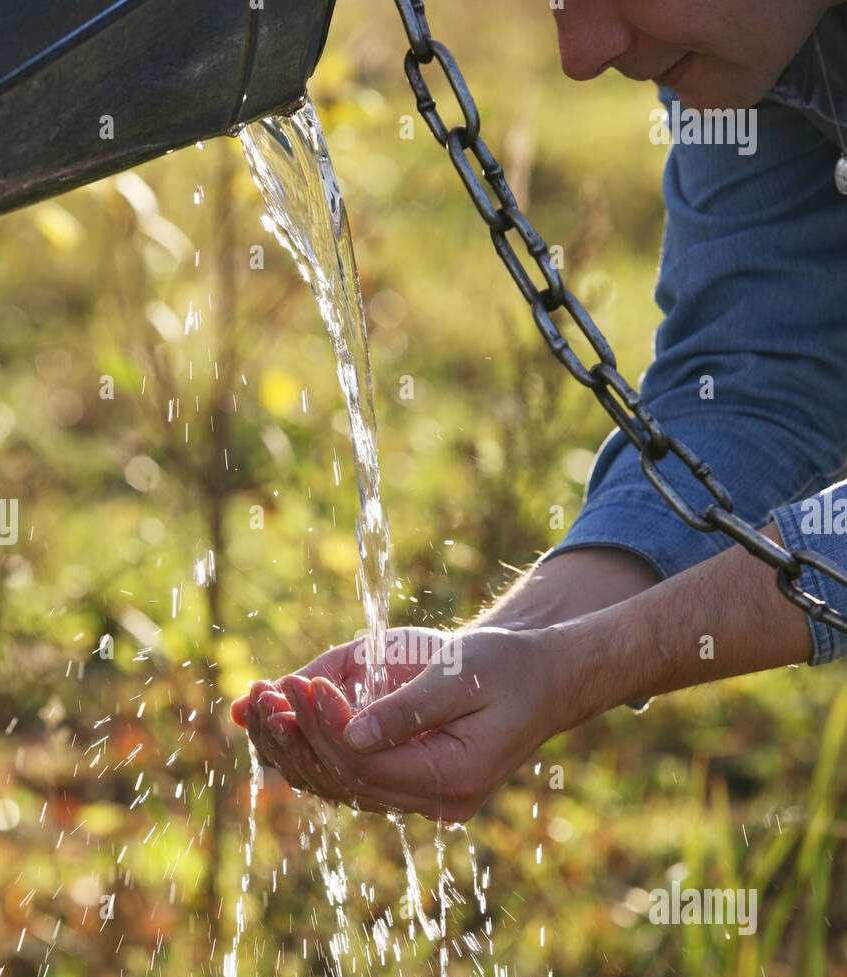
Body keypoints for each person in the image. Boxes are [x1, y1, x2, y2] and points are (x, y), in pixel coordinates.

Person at [231, 0, 847, 823]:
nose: (582, 54)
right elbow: (765, 381)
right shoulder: (755, 37)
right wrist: (520, 643)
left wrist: (585, 665)